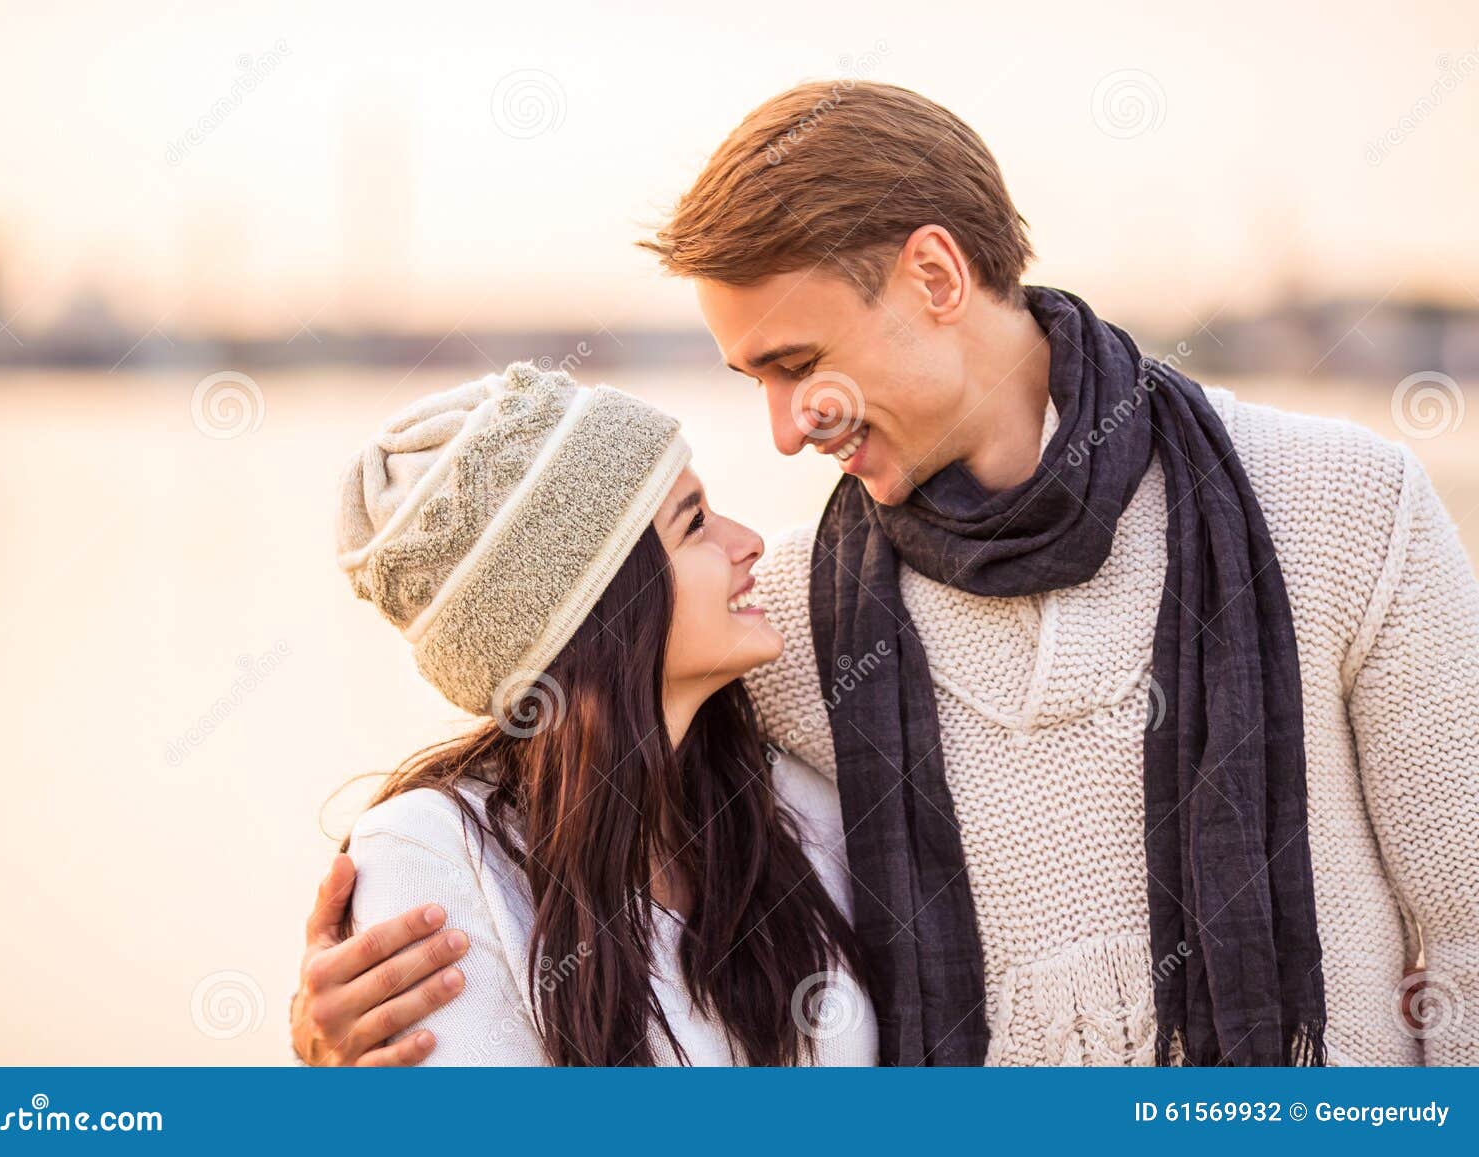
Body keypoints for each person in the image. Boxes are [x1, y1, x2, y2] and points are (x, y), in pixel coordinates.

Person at [293, 81, 1479, 1066]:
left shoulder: (1338, 508)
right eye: (748, 376)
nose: (780, 430)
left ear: (934, 275)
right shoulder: (797, 619)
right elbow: (571, 767)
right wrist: (340, 1051)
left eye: (796, 361)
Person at [312, 360, 874, 1066]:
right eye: (695, 522)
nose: (748, 541)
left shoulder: (795, 804)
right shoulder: (428, 851)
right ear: (601, 608)